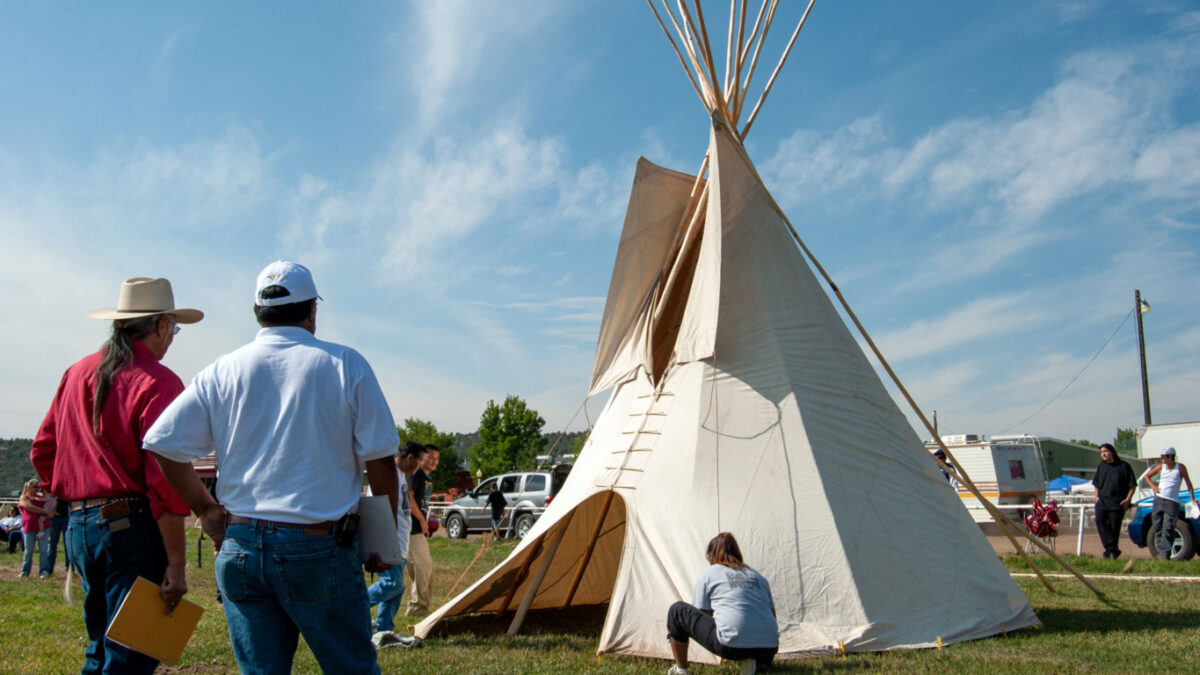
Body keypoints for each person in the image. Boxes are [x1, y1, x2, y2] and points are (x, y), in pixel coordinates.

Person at [145, 261, 400, 675]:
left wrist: (205, 508)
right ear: (312, 310)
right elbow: (381, 460)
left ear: (256, 312)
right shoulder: (345, 364)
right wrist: (382, 539)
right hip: (318, 545)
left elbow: (162, 442)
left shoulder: (223, 369)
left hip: (241, 545)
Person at [30, 276, 200, 674]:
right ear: (161, 325)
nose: (172, 339)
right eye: (174, 330)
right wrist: (177, 563)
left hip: (80, 527)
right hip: (130, 528)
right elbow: (164, 479)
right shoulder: (158, 381)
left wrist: (75, 491)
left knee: (100, 646)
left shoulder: (76, 373)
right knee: (130, 654)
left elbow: (43, 450)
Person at [666, 532, 778, 675]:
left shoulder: (708, 574)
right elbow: (772, 615)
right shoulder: (758, 577)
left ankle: (682, 670)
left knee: (677, 611)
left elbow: (702, 614)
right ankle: (755, 662)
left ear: (711, 556)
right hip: (769, 648)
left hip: (731, 647)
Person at [369, 440, 426, 649]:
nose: (418, 467)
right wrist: (383, 539)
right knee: (392, 584)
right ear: (410, 457)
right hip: (388, 540)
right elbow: (376, 507)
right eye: (418, 462)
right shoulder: (387, 474)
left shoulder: (400, 476)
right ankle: (352, 607)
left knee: (397, 590)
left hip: (400, 543)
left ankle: (383, 630)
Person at [1140, 446, 1196, 560]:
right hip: (1159, 499)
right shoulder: (1161, 467)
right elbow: (1147, 476)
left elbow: (1189, 483)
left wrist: (1192, 498)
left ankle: (1165, 553)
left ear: (1170, 456)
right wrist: (1154, 486)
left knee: (1168, 527)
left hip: (1172, 501)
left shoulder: (1180, 468)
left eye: (1164, 456)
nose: (1162, 459)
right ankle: (1160, 551)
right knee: (1157, 526)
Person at [406, 444, 439, 617]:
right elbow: (409, 498)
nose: (434, 461)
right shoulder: (416, 473)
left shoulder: (426, 477)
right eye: (430, 457)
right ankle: (417, 608)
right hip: (411, 528)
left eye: (437, 458)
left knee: (421, 569)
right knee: (423, 568)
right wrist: (421, 520)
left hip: (417, 528)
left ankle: (419, 606)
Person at [1091, 443, 1136, 559]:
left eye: (1105, 451)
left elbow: (1132, 486)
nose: (1103, 454)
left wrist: (1127, 499)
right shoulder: (1101, 466)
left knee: (1114, 528)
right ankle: (1112, 549)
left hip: (1117, 503)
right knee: (1100, 522)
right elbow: (1096, 484)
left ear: (1112, 452)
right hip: (1102, 502)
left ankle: (1110, 553)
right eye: (1101, 452)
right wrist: (1097, 497)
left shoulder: (1124, 466)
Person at [18, 480, 51, 578]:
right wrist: (44, 511)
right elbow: (29, 507)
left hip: (43, 526)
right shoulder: (24, 497)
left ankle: (43, 570)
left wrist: (47, 512)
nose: (38, 489)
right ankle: (25, 571)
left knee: (43, 550)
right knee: (28, 551)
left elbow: (51, 506)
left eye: (38, 487)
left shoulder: (42, 498)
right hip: (29, 526)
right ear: (29, 487)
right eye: (35, 487)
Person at [45, 493, 70, 573]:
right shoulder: (55, 490)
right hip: (55, 517)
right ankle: (49, 568)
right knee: (52, 544)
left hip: (67, 517)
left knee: (68, 544)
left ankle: (69, 569)